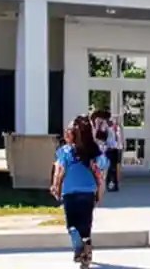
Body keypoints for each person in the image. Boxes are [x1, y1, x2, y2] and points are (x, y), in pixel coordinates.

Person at [51, 115, 108, 268]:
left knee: (72, 225)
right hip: (88, 191)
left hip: (69, 192)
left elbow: (59, 171)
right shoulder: (92, 150)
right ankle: (85, 252)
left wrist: (55, 186)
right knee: (85, 224)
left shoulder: (64, 151)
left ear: (72, 134)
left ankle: (78, 248)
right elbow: (103, 164)